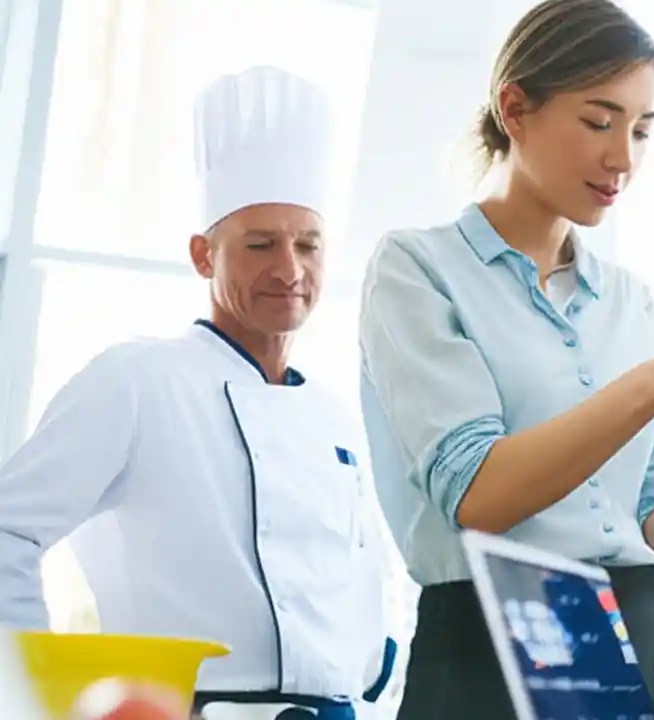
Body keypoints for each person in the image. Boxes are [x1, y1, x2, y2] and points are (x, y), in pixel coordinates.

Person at [357, 1, 654, 718]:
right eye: (599, 121)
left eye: (643, 130)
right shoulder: (415, 270)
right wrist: (651, 387)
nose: (624, 158)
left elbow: (650, 505)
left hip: (647, 634)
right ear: (515, 109)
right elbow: (478, 495)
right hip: (491, 644)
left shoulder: (630, 301)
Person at [0, 66, 395, 719]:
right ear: (203, 255)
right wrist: (38, 693)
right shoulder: (136, 380)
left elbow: (366, 579)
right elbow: (9, 529)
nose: (289, 269)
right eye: (260, 244)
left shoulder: (332, 415)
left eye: (308, 245)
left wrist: (379, 661)